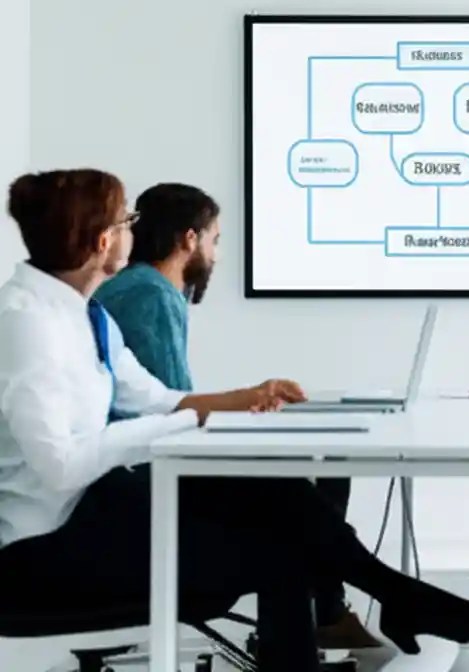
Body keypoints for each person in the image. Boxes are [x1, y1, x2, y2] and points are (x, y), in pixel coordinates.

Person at [0, 169, 469, 671]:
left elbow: (156, 398)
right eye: (126, 219)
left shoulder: (86, 315)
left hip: (94, 508)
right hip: (44, 544)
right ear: (103, 239)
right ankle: (399, 602)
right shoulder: (28, 325)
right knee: (279, 550)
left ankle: (401, 597)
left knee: (278, 495)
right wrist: (185, 426)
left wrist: (246, 398)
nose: (135, 230)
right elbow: (61, 465)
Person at [93, 182, 380, 649]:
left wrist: (247, 401)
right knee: (311, 482)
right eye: (215, 239)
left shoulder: (140, 289)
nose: (217, 254)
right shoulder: (150, 293)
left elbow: (165, 399)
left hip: (132, 463)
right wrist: (243, 410)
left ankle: (327, 610)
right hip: (141, 474)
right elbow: (172, 410)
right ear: (190, 239)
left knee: (315, 475)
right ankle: (325, 613)